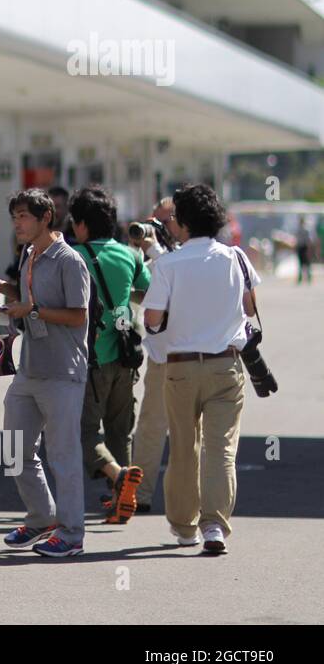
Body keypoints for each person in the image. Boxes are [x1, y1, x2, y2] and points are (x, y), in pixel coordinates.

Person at [143, 184, 261, 554]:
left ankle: (185, 526)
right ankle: (214, 526)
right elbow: (249, 306)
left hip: (179, 368)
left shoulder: (166, 264)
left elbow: (151, 319)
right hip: (225, 365)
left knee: (182, 447)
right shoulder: (236, 258)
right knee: (221, 449)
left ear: (184, 222)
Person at [0, 189, 91, 557]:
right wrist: (6, 289)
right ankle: (41, 517)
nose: (17, 223)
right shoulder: (30, 253)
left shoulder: (69, 260)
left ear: (45, 218)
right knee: (14, 448)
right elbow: (33, 301)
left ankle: (71, 534)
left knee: (63, 455)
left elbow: (78, 315)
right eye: (14, 216)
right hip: (30, 367)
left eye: (23, 217)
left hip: (63, 370)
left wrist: (31, 311)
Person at [68, 186, 149, 523]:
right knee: (120, 431)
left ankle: (118, 477)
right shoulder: (130, 255)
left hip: (91, 357)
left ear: (82, 224)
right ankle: (121, 502)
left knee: (83, 432)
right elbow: (145, 291)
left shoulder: (75, 256)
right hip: (125, 357)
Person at [129, 198, 178, 513]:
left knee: (190, 433)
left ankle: (191, 500)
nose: (154, 229)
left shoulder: (186, 256)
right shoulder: (151, 259)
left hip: (188, 357)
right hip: (161, 358)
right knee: (149, 426)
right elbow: (143, 296)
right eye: (152, 221)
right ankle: (139, 494)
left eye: (161, 223)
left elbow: (176, 286)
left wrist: (155, 251)